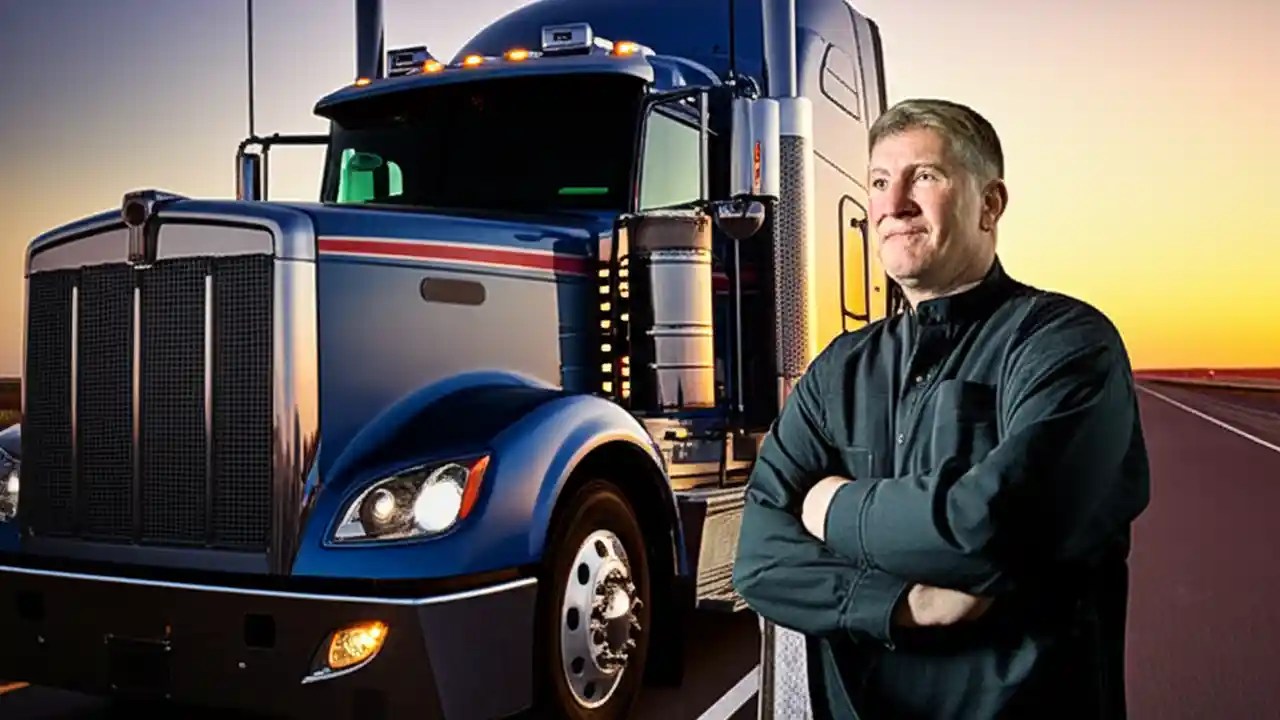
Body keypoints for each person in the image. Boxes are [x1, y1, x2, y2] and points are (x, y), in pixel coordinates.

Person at [732, 98, 1151, 719]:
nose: (893, 202)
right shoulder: (836, 370)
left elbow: (992, 526)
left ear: (990, 204)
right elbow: (759, 561)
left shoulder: (1067, 345)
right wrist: (908, 603)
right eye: (878, 181)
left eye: (924, 176)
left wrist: (831, 505)